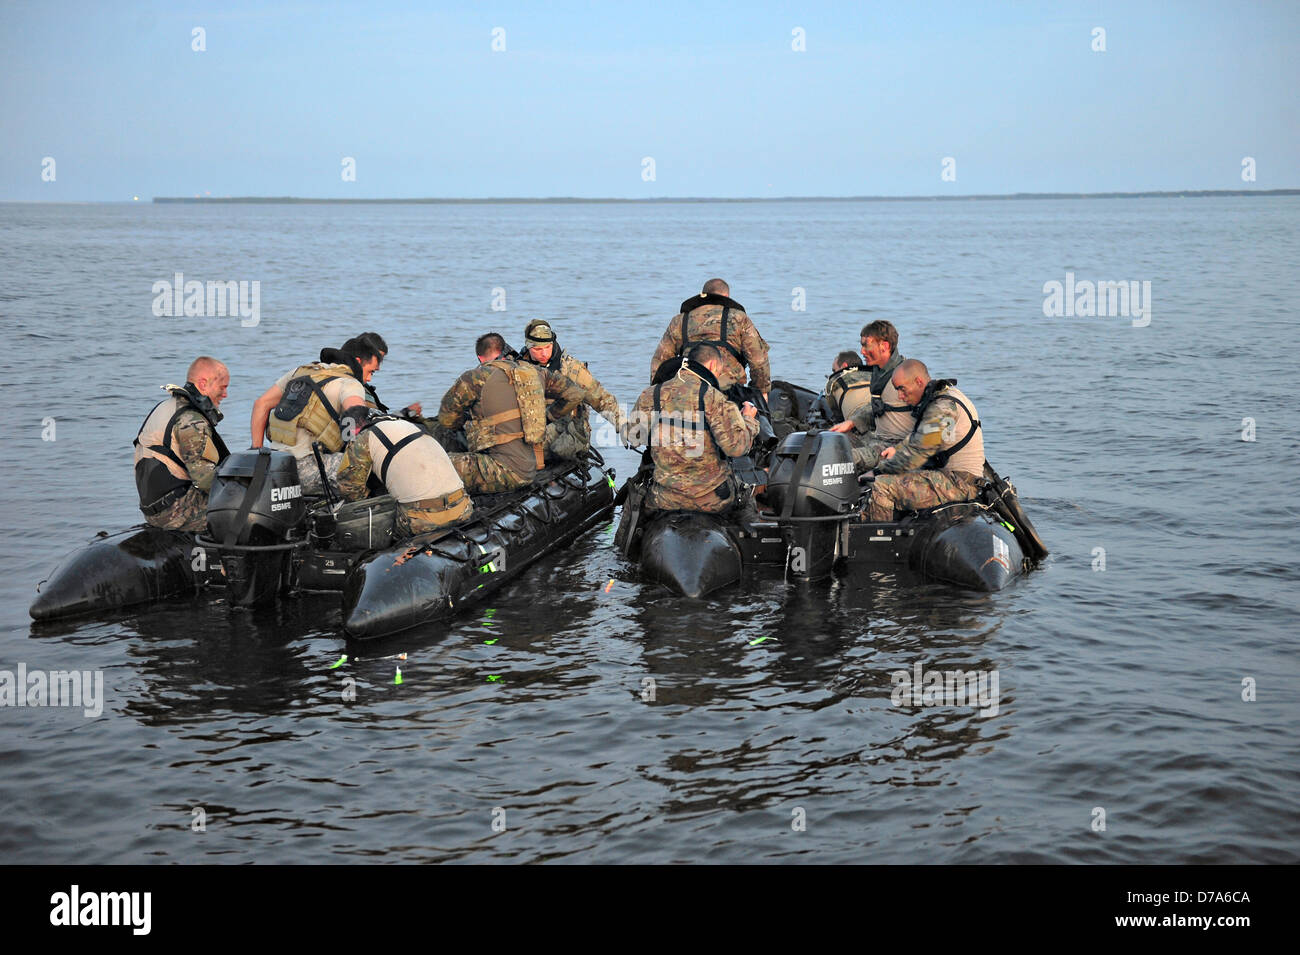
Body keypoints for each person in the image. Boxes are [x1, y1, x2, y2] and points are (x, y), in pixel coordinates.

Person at [436, 332, 592, 494]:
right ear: (504, 352)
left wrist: (472, 422)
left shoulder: (473, 378)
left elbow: (446, 420)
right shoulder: (535, 372)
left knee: (436, 463)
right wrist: (549, 416)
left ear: (480, 358)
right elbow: (575, 394)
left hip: (505, 470)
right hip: (535, 463)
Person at [629, 343, 759, 513]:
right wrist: (749, 420)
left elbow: (634, 438)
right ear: (712, 365)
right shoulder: (714, 398)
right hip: (712, 500)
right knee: (747, 500)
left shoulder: (650, 394)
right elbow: (736, 448)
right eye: (719, 372)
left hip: (664, 499)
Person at [249, 335, 380, 495]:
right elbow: (355, 416)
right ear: (358, 363)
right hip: (306, 472)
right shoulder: (350, 383)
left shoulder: (299, 373)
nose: (369, 378)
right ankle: (362, 510)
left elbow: (261, 404)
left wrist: (256, 451)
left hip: (274, 465)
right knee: (374, 460)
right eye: (370, 372)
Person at [867, 360, 985, 521]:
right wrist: (897, 452)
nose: (900, 397)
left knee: (881, 486)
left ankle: (879, 540)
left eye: (902, 389)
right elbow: (931, 441)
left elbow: (918, 453)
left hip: (960, 484)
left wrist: (876, 471)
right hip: (951, 476)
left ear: (919, 382)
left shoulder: (943, 406)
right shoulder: (945, 397)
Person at [335, 406, 472, 537]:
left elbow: (350, 490)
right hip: (463, 509)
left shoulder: (363, 437)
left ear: (353, 429)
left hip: (421, 521)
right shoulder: (406, 424)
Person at [132, 357, 231, 531]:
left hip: (153, 508)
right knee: (249, 509)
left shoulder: (166, 406)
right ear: (203, 383)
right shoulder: (190, 421)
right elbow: (206, 482)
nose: (225, 394)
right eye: (223, 387)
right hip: (174, 513)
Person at [516, 318, 623, 461]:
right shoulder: (517, 368)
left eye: (547, 347)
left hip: (569, 432)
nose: (543, 353)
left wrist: (624, 427)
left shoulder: (571, 369)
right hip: (532, 430)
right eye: (537, 349)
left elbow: (601, 399)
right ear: (528, 347)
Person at [649, 278, 771, 398]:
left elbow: (659, 361)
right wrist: (762, 391)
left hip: (689, 389)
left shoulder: (679, 320)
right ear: (726, 296)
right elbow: (758, 360)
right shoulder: (739, 318)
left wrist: (659, 393)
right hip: (729, 391)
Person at [829, 320, 914, 470]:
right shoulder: (879, 373)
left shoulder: (906, 377)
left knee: (841, 459)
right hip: (876, 439)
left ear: (884, 346)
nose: (861, 351)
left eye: (866, 345)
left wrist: (902, 449)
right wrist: (852, 422)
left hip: (893, 447)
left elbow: (926, 421)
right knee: (830, 441)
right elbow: (878, 406)